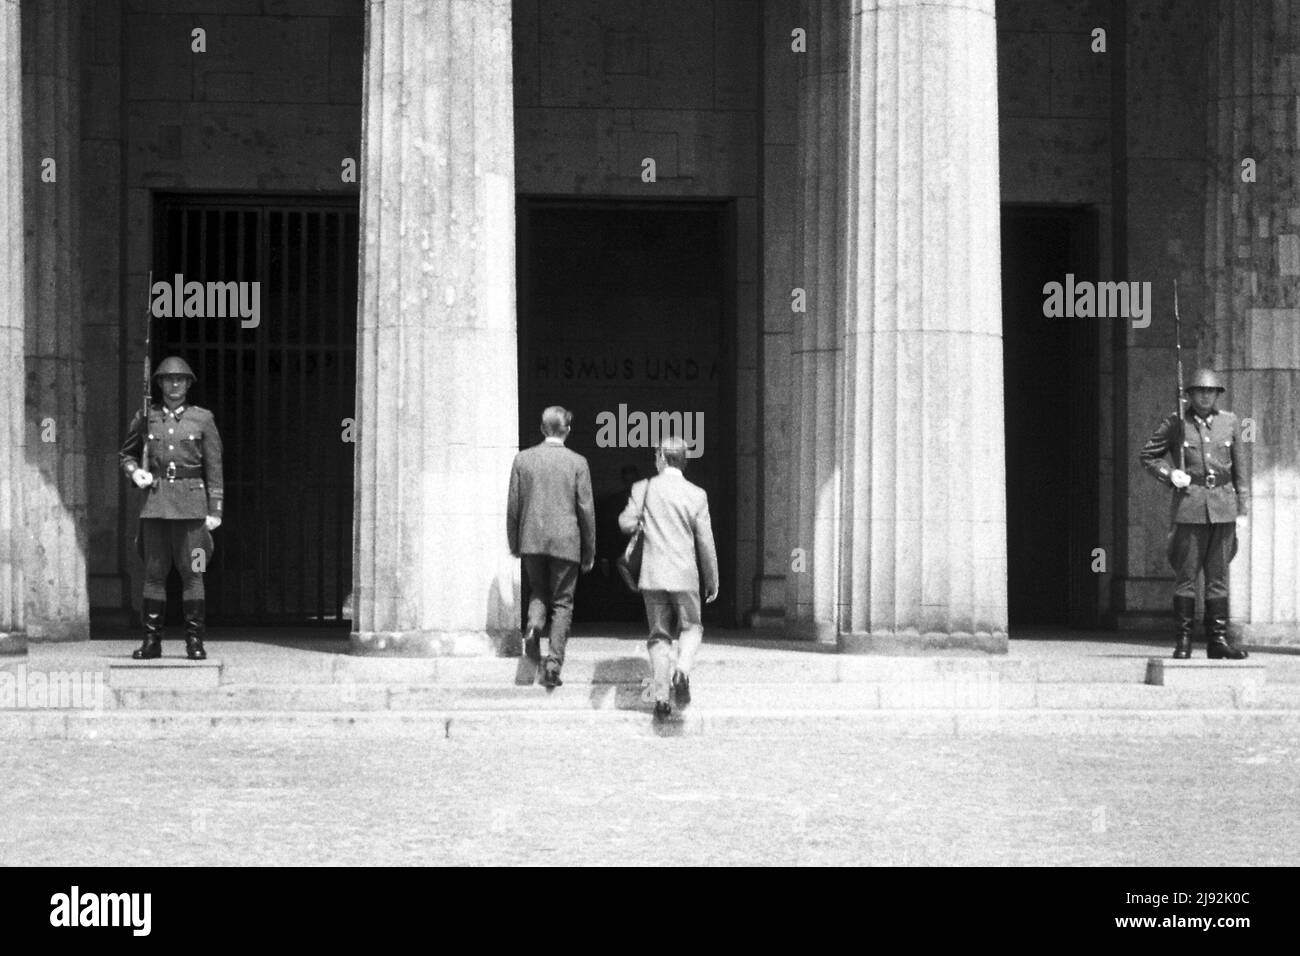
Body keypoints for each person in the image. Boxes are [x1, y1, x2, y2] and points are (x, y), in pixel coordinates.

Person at [1139, 368, 1250, 660]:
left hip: (1223, 507)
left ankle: (1217, 641)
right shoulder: (1177, 421)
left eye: (1211, 391)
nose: (1205, 395)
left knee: (1218, 577)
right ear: (1189, 394)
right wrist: (1170, 473)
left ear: (1217, 395)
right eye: (1200, 391)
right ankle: (1184, 640)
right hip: (1190, 506)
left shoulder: (1230, 422)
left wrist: (1243, 508)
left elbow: (1240, 469)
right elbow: (1148, 455)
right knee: (1186, 577)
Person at [119, 356, 224, 660]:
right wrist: (134, 472)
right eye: (168, 379)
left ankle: (195, 641)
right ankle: (152, 642)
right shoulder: (146, 417)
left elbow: (214, 467)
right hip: (155, 505)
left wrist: (215, 510)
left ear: (189, 384)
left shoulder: (202, 419)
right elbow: (126, 454)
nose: (174, 384)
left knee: (194, 572)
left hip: (192, 508)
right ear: (160, 384)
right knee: (153, 574)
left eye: (180, 379)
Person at [619, 436, 718, 720]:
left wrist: (643, 523)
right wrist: (712, 578)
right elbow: (706, 542)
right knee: (692, 628)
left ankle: (661, 697)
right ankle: (683, 670)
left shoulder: (644, 487)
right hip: (685, 576)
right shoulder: (697, 494)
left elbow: (625, 522)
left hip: (653, 575)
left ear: (662, 457)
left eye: (655, 455)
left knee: (659, 636)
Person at [507, 406, 596, 688]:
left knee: (538, 592)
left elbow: (513, 506)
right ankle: (553, 666)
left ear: (543, 429)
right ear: (567, 430)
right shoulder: (578, 462)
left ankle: (533, 628)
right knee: (562, 602)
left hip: (532, 540)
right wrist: (589, 549)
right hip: (566, 542)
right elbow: (586, 510)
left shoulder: (523, 460)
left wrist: (514, 542)